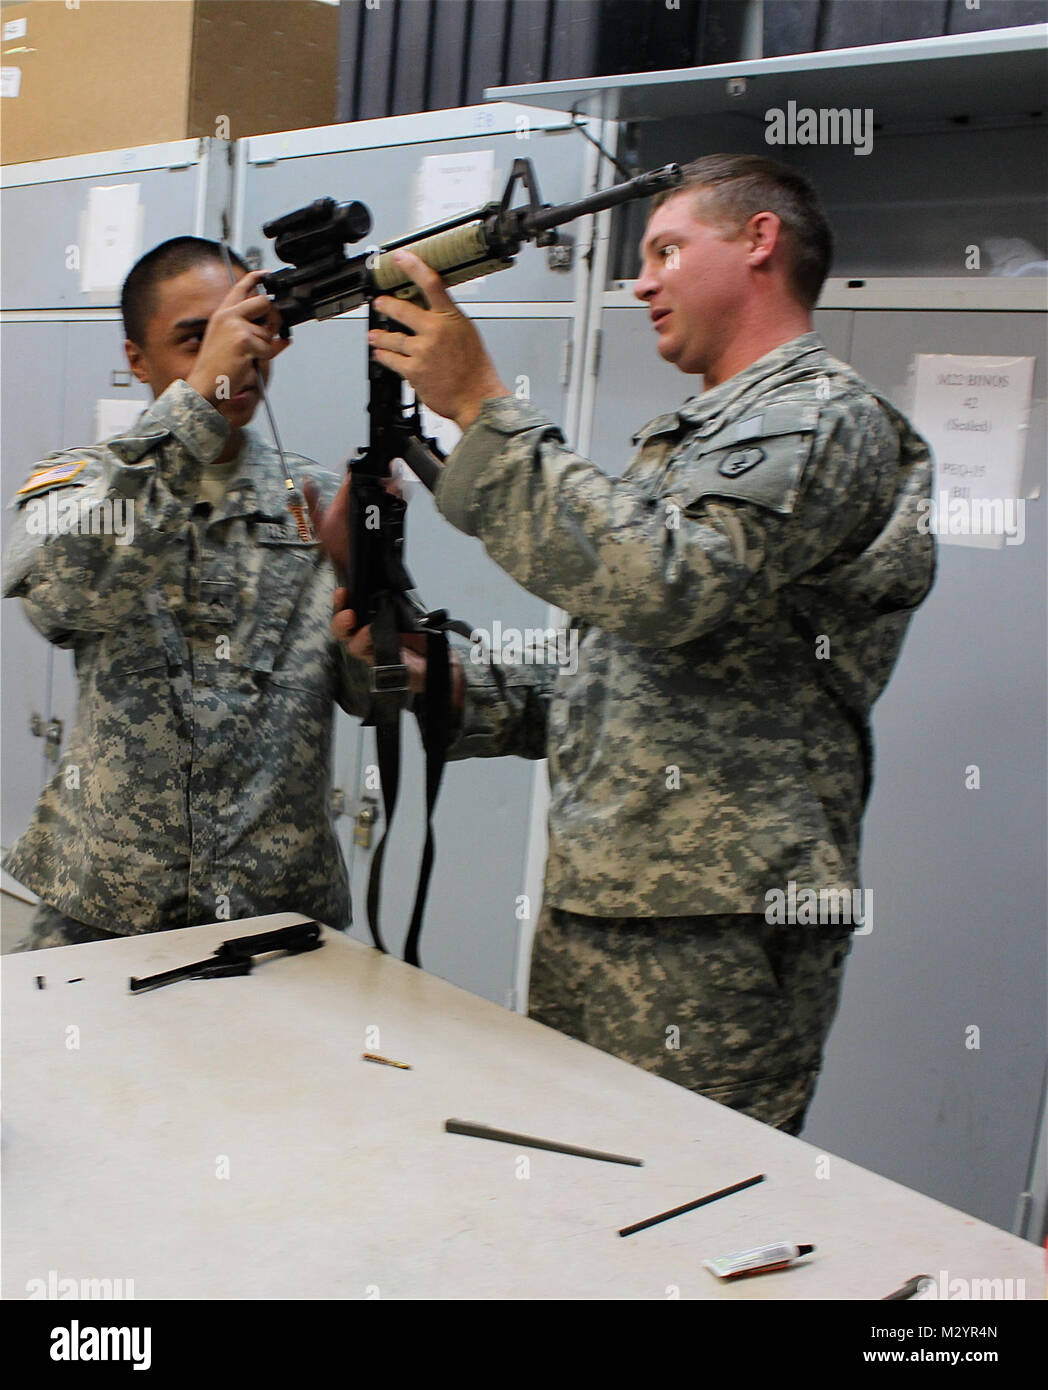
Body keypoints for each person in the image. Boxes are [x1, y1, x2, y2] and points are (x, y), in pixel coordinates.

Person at [322, 153, 937, 1135]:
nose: (641, 281)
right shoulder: (689, 442)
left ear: (758, 243)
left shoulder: (825, 418)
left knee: (692, 1214)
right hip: (610, 906)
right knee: (582, 1199)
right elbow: (615, 677)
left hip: (720, 929)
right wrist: (435, 678)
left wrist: (480, 402)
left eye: (665, 249)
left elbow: (662, 586)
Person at [4, 237, 375, 949]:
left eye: (242, 329)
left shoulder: (314, 501)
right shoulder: (81, 482)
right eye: (194, 340)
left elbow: (374, 693)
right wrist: (198, 404)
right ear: (137, 360)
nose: (232, 355)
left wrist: (373, 602)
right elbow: (64, 598)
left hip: (274, 916)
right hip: (105, 913)